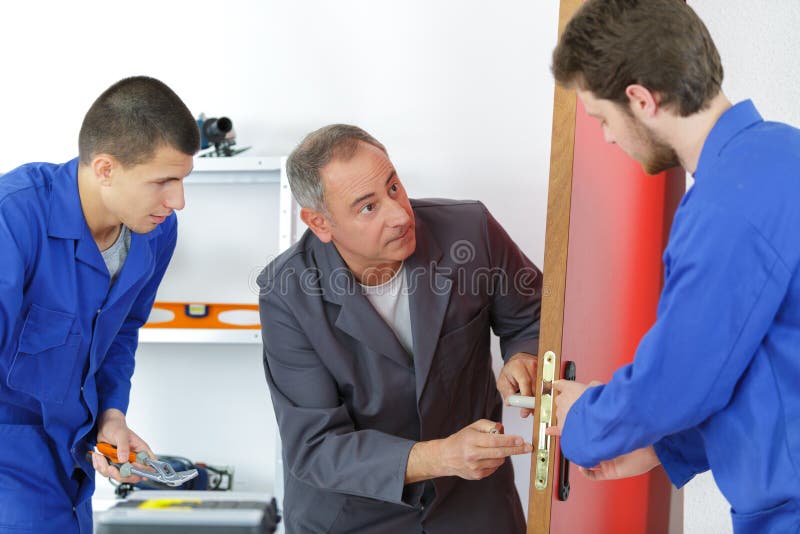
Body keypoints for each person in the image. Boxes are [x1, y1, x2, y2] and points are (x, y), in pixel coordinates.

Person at [546, 1, 800, 532]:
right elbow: (757, 366)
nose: (608, 138)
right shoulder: (781, 154)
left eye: (602, 119)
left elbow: (678, 378)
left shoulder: (727, 205)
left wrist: (581, 424)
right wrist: (667, 450)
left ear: (640, 100)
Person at [258, 124, 541, 533]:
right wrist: (442, 456)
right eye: (368, 207)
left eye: (394, 187)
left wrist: (523, 355)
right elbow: (316, 447)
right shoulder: (286, 294)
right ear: (319, 223)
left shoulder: (471, 230)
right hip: (353, 515)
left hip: (473, 505)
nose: (399, 215)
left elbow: (532, 312)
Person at [0, 76, 199, 533]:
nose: (179, 201)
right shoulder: (13, 218)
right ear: (106, 168)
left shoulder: (155, 232)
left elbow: (121, 331)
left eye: (184, 180)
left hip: (71, 460)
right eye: (163, 181)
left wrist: (110, 415)